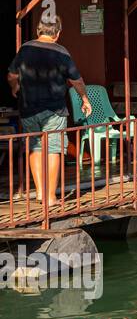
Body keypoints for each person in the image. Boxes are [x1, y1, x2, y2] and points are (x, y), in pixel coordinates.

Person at [7, 16, 92, 206]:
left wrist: (15, 87)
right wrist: (85, 99)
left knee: (35, 148)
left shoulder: (25, 49)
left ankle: (39, 193)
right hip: (54, 109)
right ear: (58, 33)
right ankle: (50, 197)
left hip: (28, 108)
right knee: (53, 149)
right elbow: (76, 80)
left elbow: (12, 75)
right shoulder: (61, 52)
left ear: (38, 31)